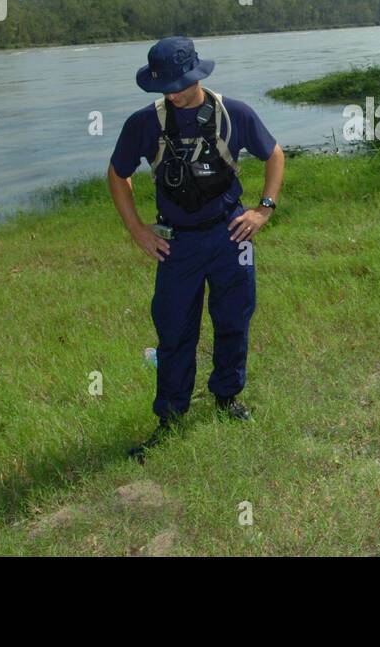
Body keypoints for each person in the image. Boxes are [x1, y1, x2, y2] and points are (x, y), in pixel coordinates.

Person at [108, 36, 284, 461]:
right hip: (177, 244)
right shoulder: (142, 124)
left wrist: (263, 209)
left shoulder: (233, 113)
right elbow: (118, 175)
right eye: (164, 85)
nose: (172, 92)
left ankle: (227, 398)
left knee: (234, 319)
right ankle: (169, 417)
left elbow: (274, 154)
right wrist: (137, 230)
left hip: (230, 236)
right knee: (174, 330)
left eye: (180, 83)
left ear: (199, 74)